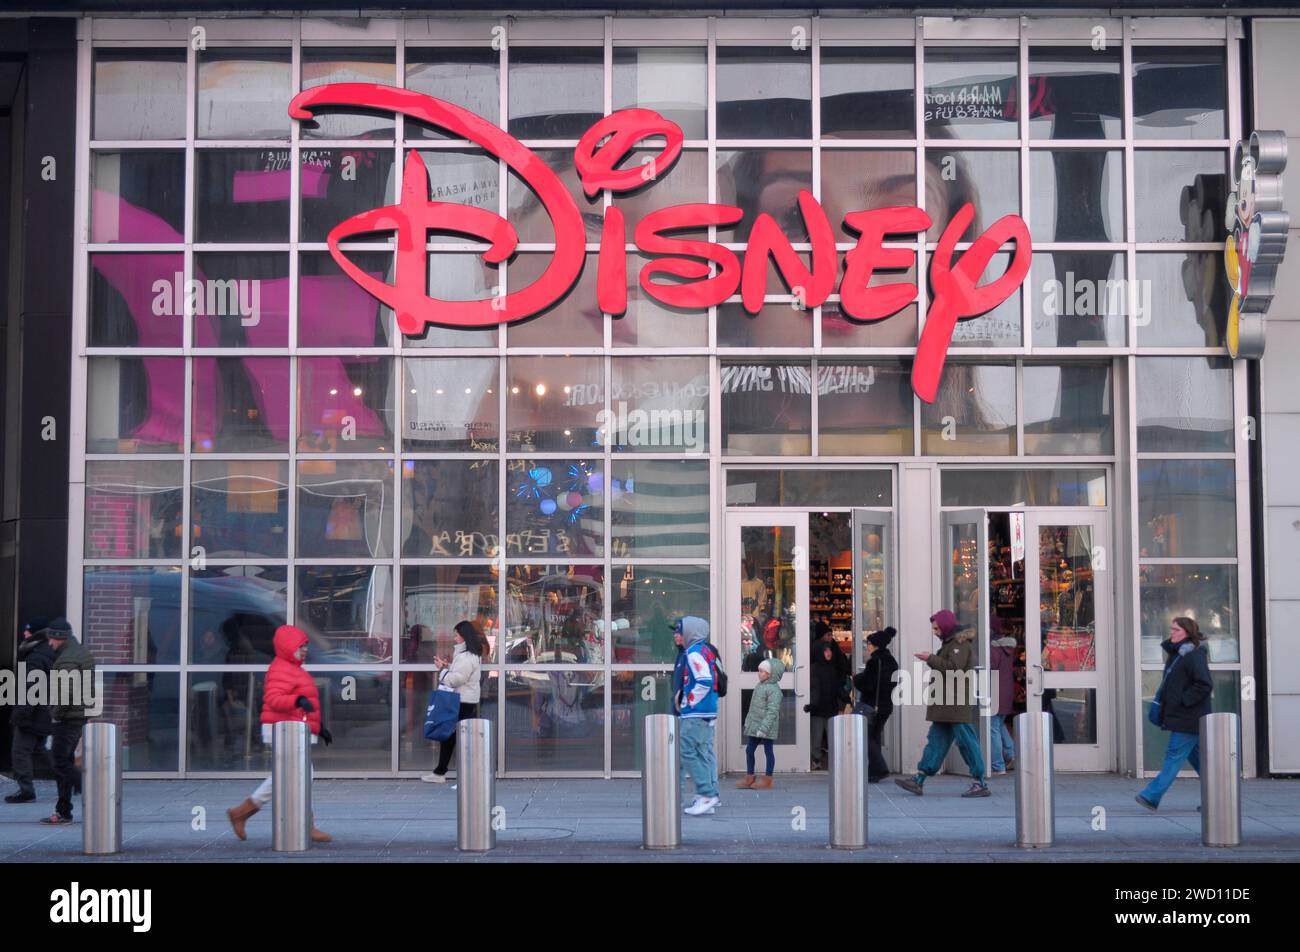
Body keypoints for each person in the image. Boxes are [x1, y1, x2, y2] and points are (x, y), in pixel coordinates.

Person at [226, 624, 333, 842]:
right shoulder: (281, 669)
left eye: (305, 646)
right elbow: (274, 699)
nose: (305, 650)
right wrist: (297, 700)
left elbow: (304, 705)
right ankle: (244, 812)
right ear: (287, 647)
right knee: (295, 775)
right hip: (283, 729)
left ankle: (245, 812)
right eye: (300, 646)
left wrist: (318, 728)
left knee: (298, 774)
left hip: (292, 728)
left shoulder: (293, 669)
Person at [895, 610, 990, 798]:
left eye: (936, 628)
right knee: (936, 741)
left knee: (966, 742)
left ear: (946, 626)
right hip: (946, 702)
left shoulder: (959, 644)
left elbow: (952, 668)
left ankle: (980, 782)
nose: (934, 631)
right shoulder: (951, 643)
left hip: (955, 702)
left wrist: (929, 658)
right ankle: (919, 779)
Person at [1137, 616, 1213, 811]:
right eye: (1171, 629)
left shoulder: (1193, 655)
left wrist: (1183, 700)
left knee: (1173, 756)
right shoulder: (1178, 654)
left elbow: (1204, 684)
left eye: (1176, 630)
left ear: (1187, 632)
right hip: (1185, 716)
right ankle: (1218, 797)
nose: (1172, 633)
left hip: (1189, 717)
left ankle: (1151, 795)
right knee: (1200, 762)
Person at [40, 619, 96, 825]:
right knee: (66, 761)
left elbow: (66, 693)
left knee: (60, 762)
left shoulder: (66, 660)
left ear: (59, 637)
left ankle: (84, 794)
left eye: (51, 639)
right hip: (78, 715)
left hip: (67, 718)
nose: (49, 644)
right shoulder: (81, 651)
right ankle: (65, 809)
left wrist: (56, 713)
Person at [423, 620, 485, 783]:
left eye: (456, 634)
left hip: (460, 701)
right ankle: (440, 772)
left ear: (464, 636)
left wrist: (442, 670)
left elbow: (456, 680)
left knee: (453, 736)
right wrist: (448, 666)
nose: (454, 637)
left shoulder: (465, 656)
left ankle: (444, 773)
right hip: (465, 700)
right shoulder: (469, 655)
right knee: (452, 736)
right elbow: (460, 672)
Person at [5, 617, 53, 804]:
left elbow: (32, 688)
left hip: (32, 713)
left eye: (28, 630)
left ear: (36, 633)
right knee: (40, 750)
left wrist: (22, 714)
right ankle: (71, 778)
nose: (24, 633)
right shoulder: (48, 651)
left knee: (20, 752)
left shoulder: (35, 656)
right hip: (44, 712)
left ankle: (26, 790)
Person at [676, 615, 720, 816]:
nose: (678, 634)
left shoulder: (693, 652)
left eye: (681, 630)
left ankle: (706, 794)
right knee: (701, 751)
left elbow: (704, 681)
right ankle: (707, 795)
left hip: (696, 713)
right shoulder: (705, 650)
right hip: (707, 711)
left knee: (686, 751)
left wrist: (688, 701)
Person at [853, 627, 898, 783]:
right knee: (875, 736)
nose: (867, 646)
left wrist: (856, 679)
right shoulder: (891, 661)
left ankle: (879, 768)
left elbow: (868, 685)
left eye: (869, 643)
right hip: (885, 705)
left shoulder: (874, 662)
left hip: (872, 705)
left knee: (867, 737)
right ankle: (874, 771)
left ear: (876, 645)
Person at [737, 657, 785, 790]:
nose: (759, 673)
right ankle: (750, 776)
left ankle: (768, 779)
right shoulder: (760, 686)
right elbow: (753, 708)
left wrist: (764, 728)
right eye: (759, 670)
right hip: (756, 726)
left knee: (768, 751)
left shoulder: (774, 690)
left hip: (766, 728)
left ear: (771, 674)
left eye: (762, 671)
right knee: (749, 750)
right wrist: (748, 722)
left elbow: (772, 711)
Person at [805, 641, 842, 770]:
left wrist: (845, 700)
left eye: (830, 650)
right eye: (826, 650)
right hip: (818, 709)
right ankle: (816, 760)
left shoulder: (832, 668)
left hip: (830, 708)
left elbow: (836, 688)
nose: (829, 653)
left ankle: (831, 760)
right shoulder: (814, 669)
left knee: (832, 736)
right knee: (817, 737)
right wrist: (812, 705)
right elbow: (815, 690)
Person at [988, 625, 1018, 775]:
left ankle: (998, 765)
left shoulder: (993, 650)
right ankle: (1012, 756)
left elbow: (989, 670)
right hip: (1006, 693)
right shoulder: (1007, 650)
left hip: (994, 693)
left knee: (992, 728)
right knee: (1000, 726)